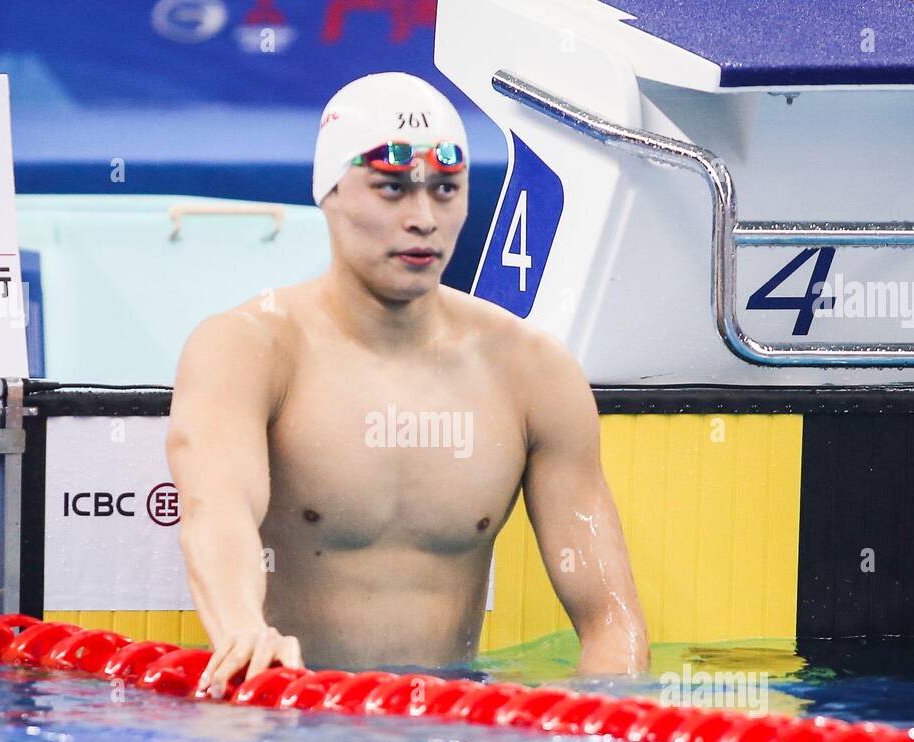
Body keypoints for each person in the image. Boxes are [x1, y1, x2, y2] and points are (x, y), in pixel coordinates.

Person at [166, 72, 649, 697]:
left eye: (445, 189)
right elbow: (216, 510)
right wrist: (242, 631)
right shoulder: (247, 348)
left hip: (451, 741)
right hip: (290, 722)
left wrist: (611, 734)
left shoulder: (532, 371)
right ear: (330, 191)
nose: (423, 218)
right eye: (391, 189)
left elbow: (611, 620)